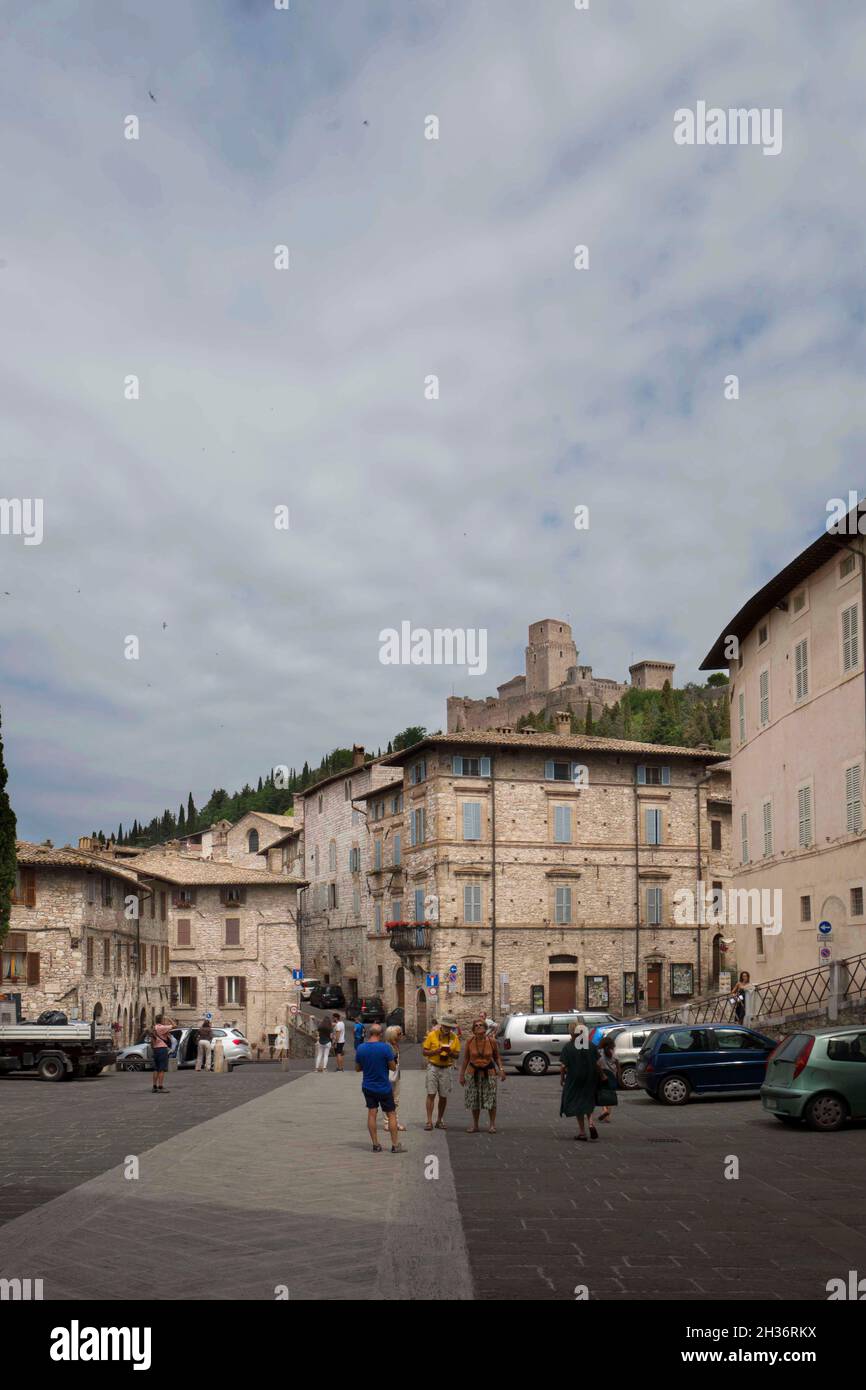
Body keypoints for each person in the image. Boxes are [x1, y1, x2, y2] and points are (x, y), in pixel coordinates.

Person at [355, 1023, 406, 1153]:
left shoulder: (361, 1048)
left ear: (369, 1033)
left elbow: (357, 1068)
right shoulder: (385, 1048)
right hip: (383, 1086)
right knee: (391, 1114)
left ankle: (376, 1144)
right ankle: (395, 1145)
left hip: (368, 1086)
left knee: (372, 1113)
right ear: (381, 1034)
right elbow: (393, 1067)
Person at [459, 1017, 506, 1133]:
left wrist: (501, 1069)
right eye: (476, 1025)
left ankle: (492, 1125)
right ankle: (475, 1125)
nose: (479, 1026)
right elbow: (465, 1060)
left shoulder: (492, 1041)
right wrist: (461, 1075)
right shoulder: (469, 1041)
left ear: (485, 1028)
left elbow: (497, 1057)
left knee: (491, 1099)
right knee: (474, 1100)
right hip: (472, 1073)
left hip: (489, 1073)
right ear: (473, 1030)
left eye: (481, 1025)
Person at [560, 1021, 605, 1140]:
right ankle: (591, 1122)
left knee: (578, 1102)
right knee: (588, 1100)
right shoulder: (590, 1045)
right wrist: (602, 1075)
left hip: (574, 1078)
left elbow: (563, 1066)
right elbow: (598, 1063)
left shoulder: (568, 1047)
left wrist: (562, 1078)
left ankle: (582, 1132)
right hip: (590, 1077)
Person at [422, 1015, 460, 1130]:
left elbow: (457, 1055)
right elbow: (424, 1052)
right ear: (441, 1025)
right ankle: (429, 1121)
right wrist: (436, 1051)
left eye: (450, 1027)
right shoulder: (432, 1035)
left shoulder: (454, 1038)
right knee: (431, 1093)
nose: (447, 1029)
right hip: (433, 1066)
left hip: (446, 1068)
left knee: (443, 1096)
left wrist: (450, 1053)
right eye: (445, 1026)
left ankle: (439, 1120)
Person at [381, 1024, 406, 1132]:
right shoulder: (387, 1047)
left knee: (396, 1100)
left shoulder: (395, 1046)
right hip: (388, 1077)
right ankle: (388, 1123)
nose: (401, 1035)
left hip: (395, 1076)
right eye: (399, 1034)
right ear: (392, 1035)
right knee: (389, 1100)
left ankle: (394, 1122)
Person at [149, 1014, 176, 1093]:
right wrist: (169, 1019)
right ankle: (160, 1087)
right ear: (161, 1020)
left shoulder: (154, 1027)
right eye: (163, 1020)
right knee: (161, 1069)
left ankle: (154, 1086)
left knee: (156, 1069)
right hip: (162, 1049)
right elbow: (175, 1025)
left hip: (155, 1049)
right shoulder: (162, 1027)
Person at [596, 1035, 619, 1123]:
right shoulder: (612, 1052)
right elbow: (617, 1062)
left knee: (602, 1093)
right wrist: (618, 1075)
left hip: (602, 1076)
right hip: (612, 1076)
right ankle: (607, 1116)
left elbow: (597, 1064)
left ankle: (604, 1110)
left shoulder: (599, 1052)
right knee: (610, 1095)